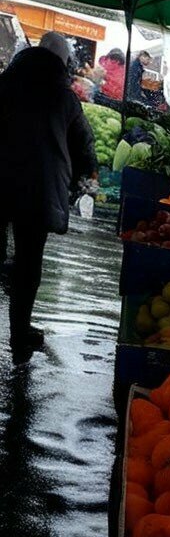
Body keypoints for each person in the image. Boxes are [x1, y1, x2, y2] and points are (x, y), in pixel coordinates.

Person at [0, 32, 96, 359]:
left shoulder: (4, 83)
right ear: (63, 61)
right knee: (28, 264)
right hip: (38, 189)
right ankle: (19, 336)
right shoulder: (64, 97)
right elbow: (83, 143)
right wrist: (85, 176)